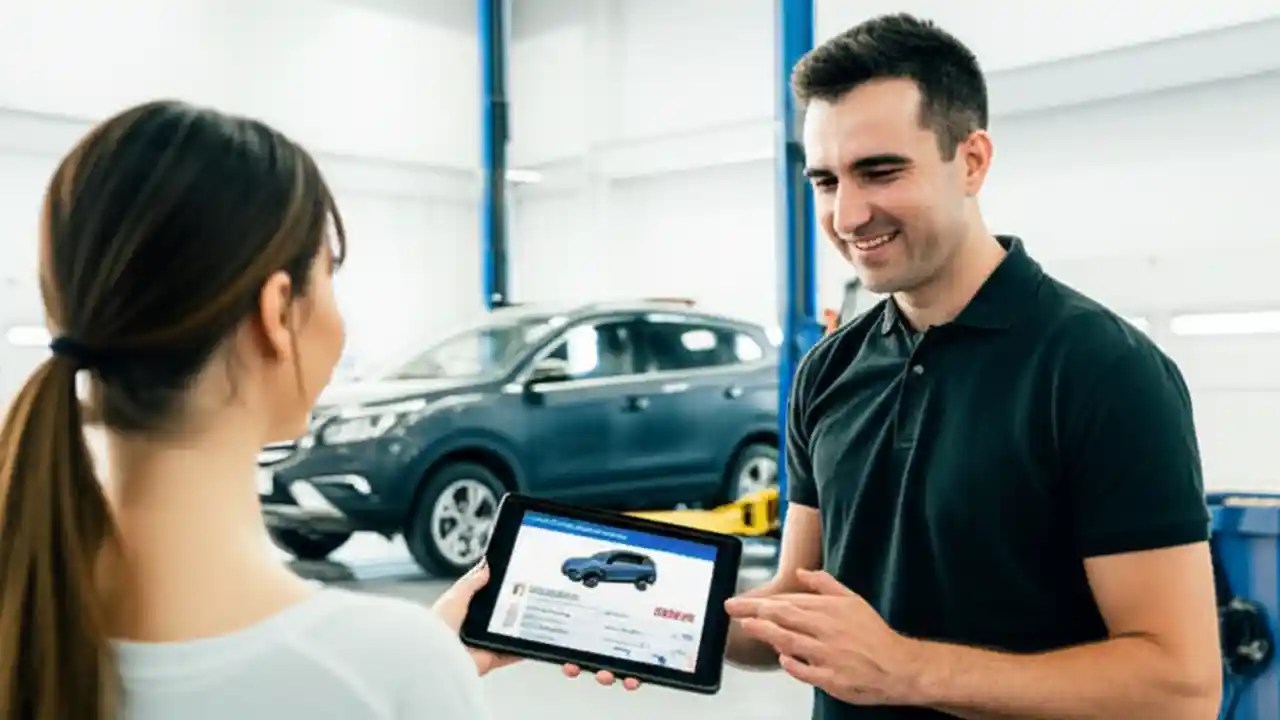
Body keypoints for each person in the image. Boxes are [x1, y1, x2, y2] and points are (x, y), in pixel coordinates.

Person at [719, 13, 1223, 720]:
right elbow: (799, 602)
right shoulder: (827, 371)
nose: (848, 215)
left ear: (973, 161)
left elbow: (1180, 687)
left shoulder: (1103, 371)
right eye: (826, 181)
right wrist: (620, 619)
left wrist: (908, 671)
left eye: (880, 172)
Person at [0, 100, 524, 720]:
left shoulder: (21, 640)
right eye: (328, 276)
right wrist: (420, 676)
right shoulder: (389, 674)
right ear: (277, 311)